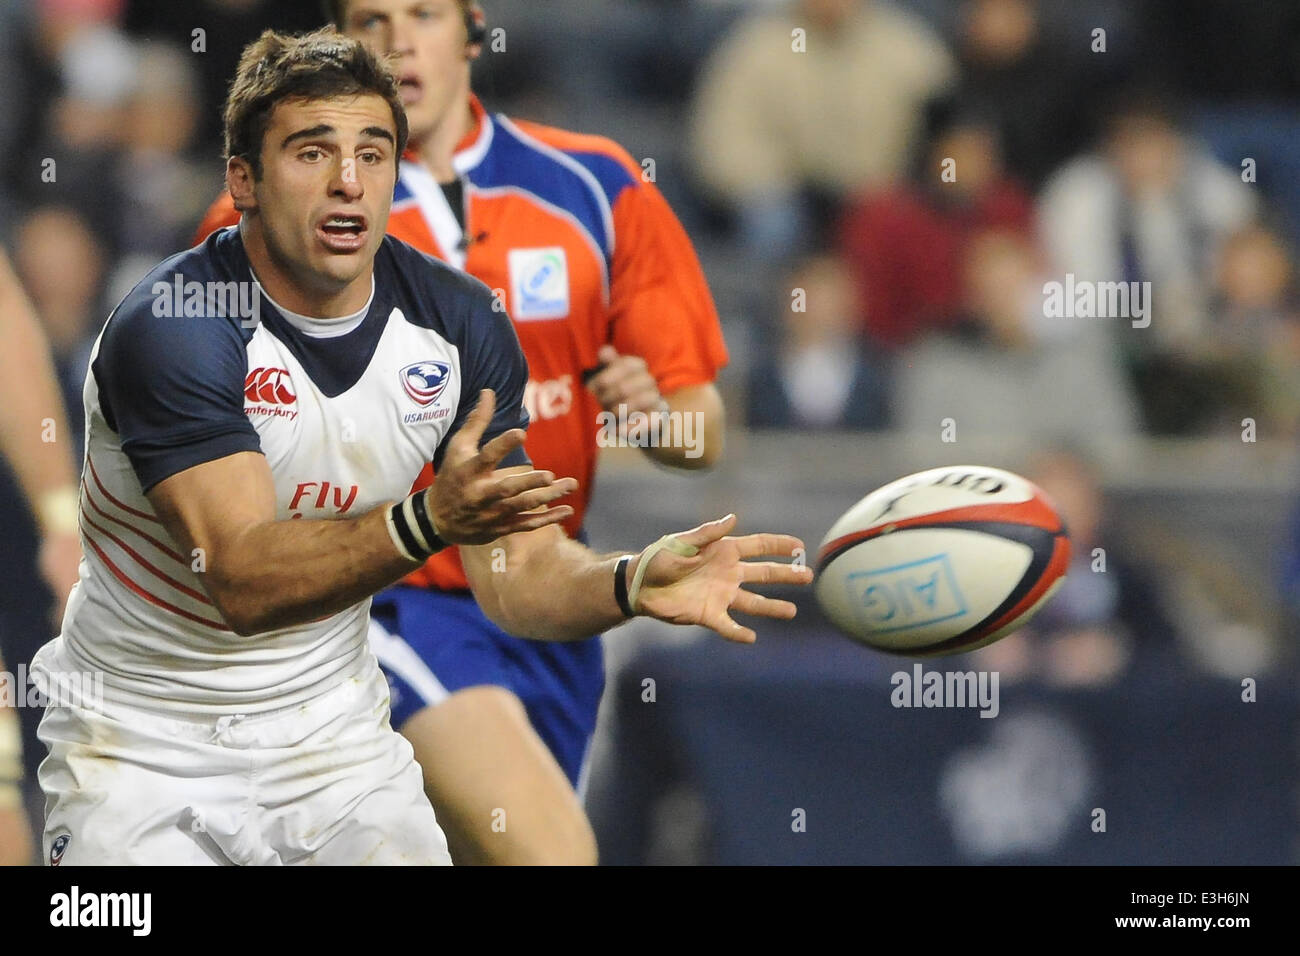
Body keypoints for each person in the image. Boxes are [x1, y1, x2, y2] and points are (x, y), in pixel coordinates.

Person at [33, 27, 809, 866]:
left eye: (373, 154)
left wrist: (630, 579)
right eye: (311, 152)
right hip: (147, 747)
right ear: (242, 181)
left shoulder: (462, 323)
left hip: (335, 748)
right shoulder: (173, 325)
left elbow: (517, 578)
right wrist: (428, 521)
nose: (347, 183)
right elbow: (241, 581)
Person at [196, 0, 730, 865]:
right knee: (556, 853)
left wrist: (653, 417)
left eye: (424, 14)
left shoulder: (596, 185)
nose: (400, 38)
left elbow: (701, 432)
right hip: (381, 595)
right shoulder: (279, 208)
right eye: (372, 19)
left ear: (473, 32)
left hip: (547, 589)